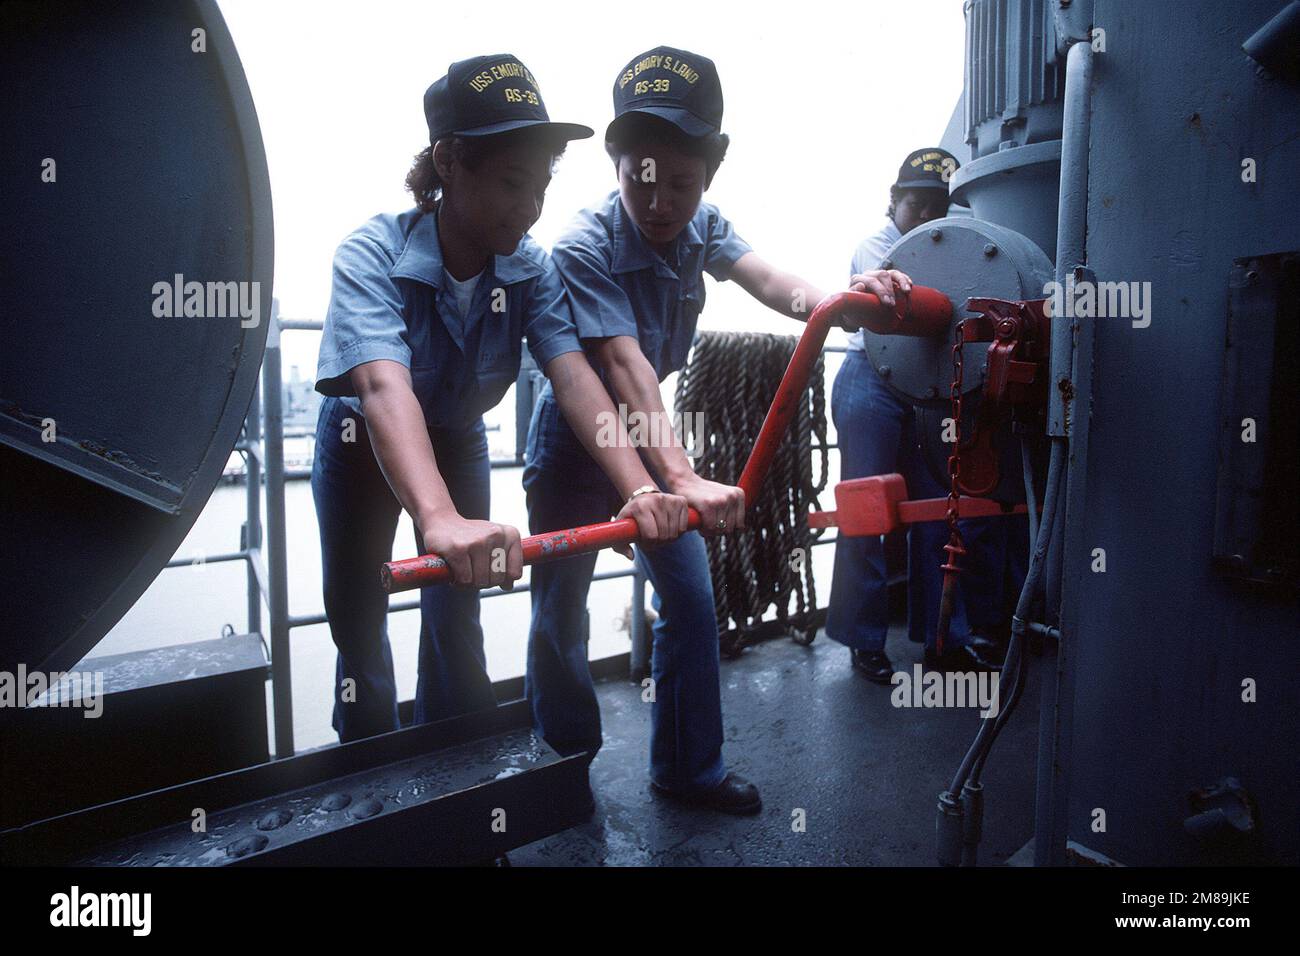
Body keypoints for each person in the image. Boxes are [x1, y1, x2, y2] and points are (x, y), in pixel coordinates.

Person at [523, 46, 910, 813]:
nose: (660, 201)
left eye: (682, 182)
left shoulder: (703, 225)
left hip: (654, 439)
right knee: (560, 609)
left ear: (712, 170)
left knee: (693, 601)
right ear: (615, 161)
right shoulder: (582, 245)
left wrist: (845, 299)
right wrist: (679, 476)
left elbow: (771, 282)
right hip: (576, 445)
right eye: (641, 177)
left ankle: (686, 770)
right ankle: (563, 772)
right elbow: (624, 366)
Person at [311, 54, 691, 744]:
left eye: (541, 187)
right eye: (514, 184)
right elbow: (379, 383)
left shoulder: (531, 268)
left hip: (455, 434)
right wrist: (437, 517)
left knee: (458, 619)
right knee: (358, 623)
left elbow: (575, 376)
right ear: (450, 161)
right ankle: (368, 787)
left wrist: (638, 487)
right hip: (360, 441)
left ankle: (460, 800)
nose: (530, 208)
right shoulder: (369, 254)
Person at [827, 147, 1003, 683]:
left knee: (939, 510)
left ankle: (944, 636)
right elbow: (890, 313)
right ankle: (863, 640)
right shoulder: (874, 249)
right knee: (865, 508)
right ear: (893, 202)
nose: (927, 218)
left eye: (938, 207)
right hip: (869, 382)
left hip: (927, 389)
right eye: (916, 204)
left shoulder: (943, 248)